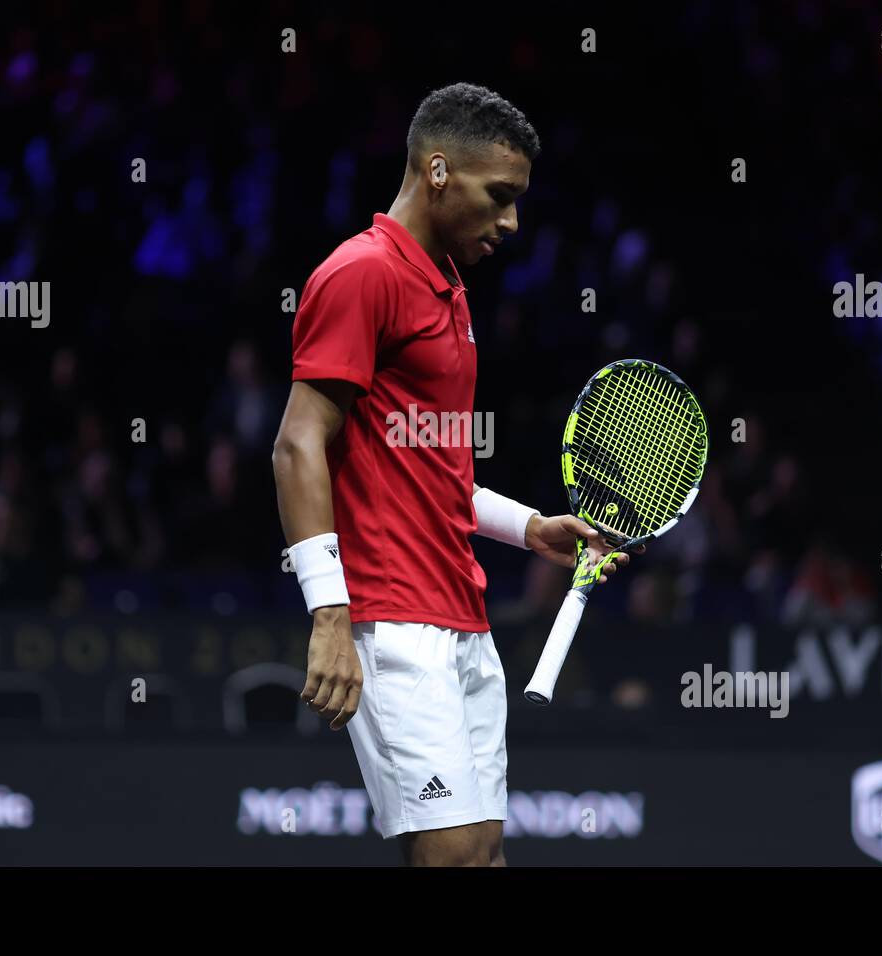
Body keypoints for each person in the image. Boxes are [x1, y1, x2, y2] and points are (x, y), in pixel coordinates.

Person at [272, 83, 634, 867]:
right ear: (437, 171)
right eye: (499, 196)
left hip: (462, 617)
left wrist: (528, 529)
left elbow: (434, 475)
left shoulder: (451, 292)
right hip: (391, 618)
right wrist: (329, 616)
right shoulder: (360, 275)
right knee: (456, 857)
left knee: (484, 856)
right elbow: (297, 446)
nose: (512, 222)